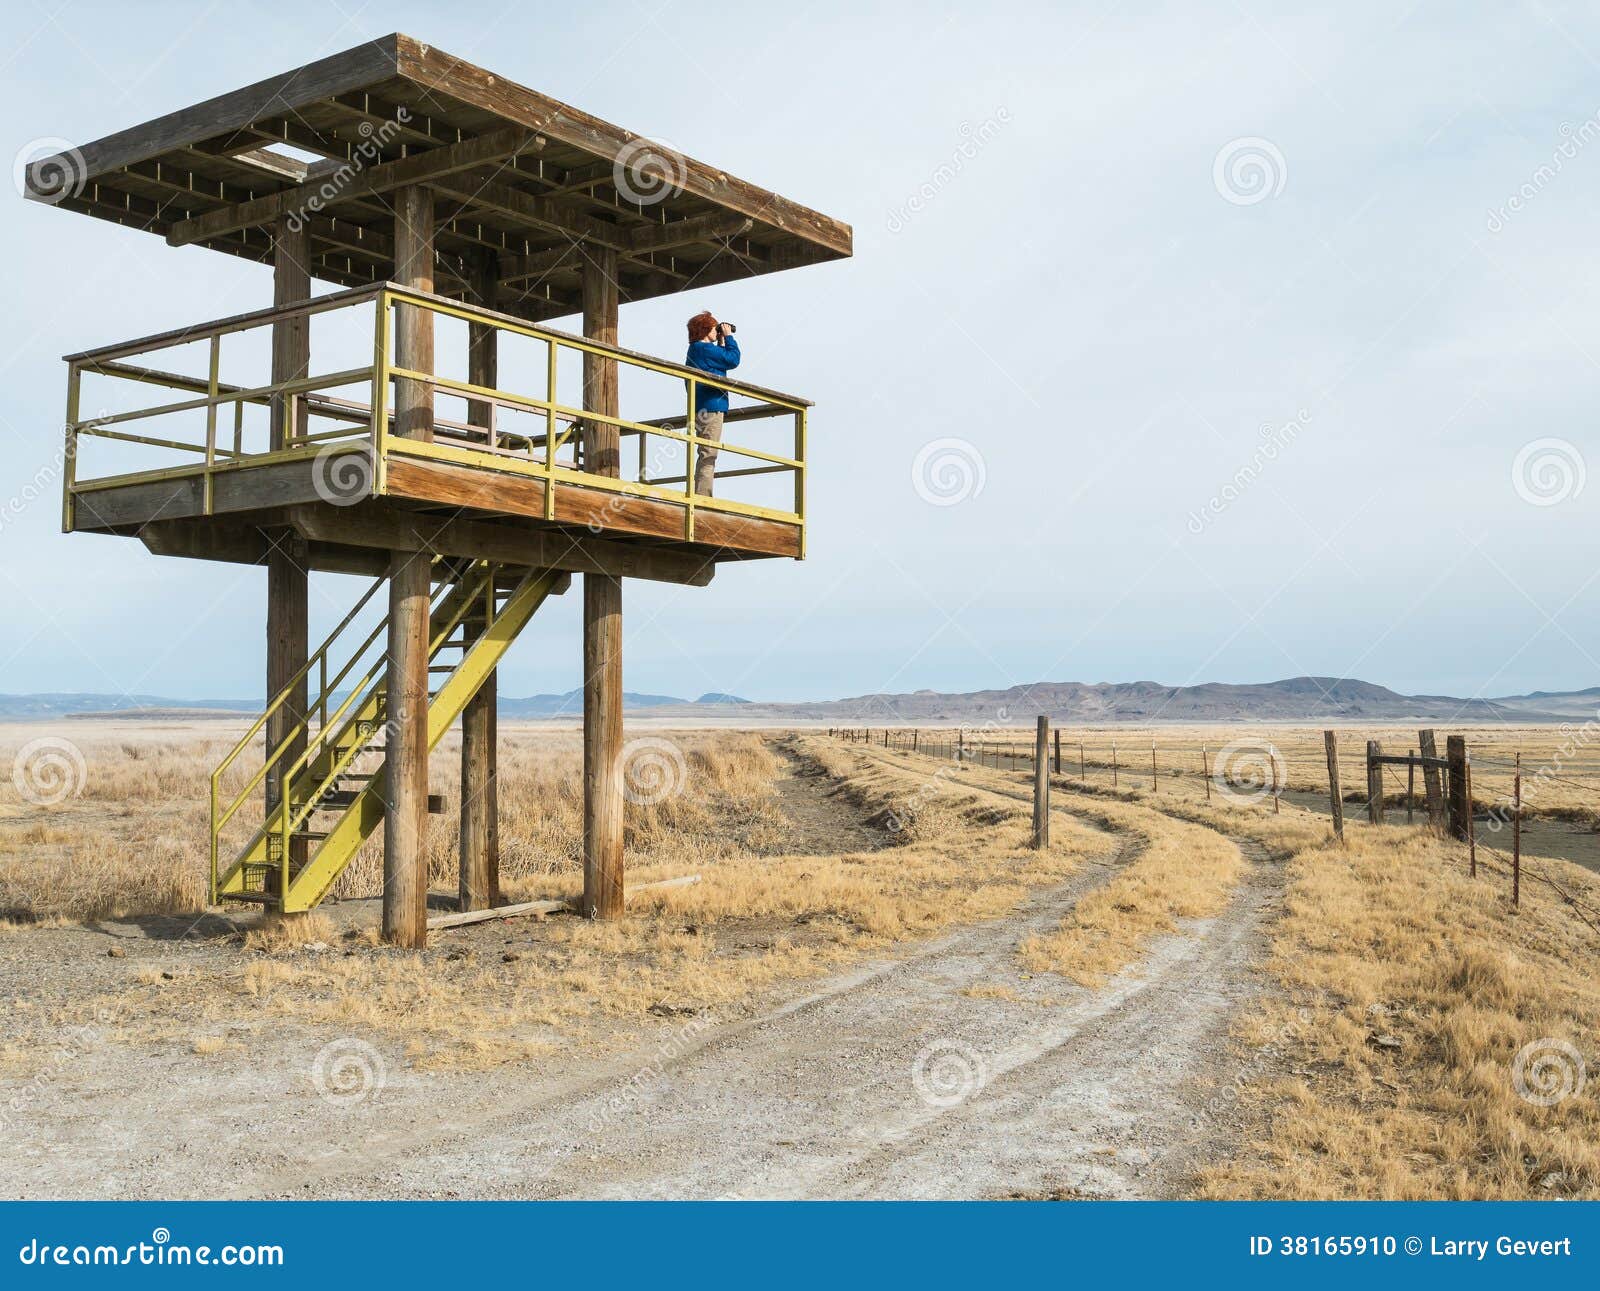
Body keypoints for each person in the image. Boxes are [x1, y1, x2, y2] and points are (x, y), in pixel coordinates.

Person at [684, 310, 740, 496]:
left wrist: (722, 342)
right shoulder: (703, 348)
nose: (717, 331)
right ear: (706, 329)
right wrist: (730, 337)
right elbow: (732, 360)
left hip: (701, 406)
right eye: (714, 328)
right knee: (709, 454)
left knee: (705, 452)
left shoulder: (698, 350)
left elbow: (720, 363)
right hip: (711, 407)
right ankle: (703, 497)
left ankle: (701, 494)